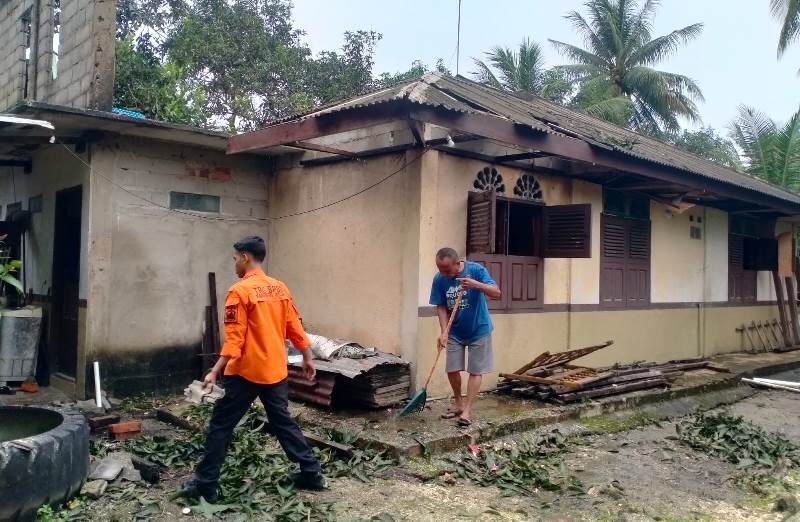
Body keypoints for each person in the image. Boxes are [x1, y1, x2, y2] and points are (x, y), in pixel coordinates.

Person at [180, 236, 323, 503]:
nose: (234, 263)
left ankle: (205, 485)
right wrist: (307, 356)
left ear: (245, 257)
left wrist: (215, 369)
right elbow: (295, 326)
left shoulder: (239, 292)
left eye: (235, 258)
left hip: (245, 372)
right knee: (283, 423)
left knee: (221, 426)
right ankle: (311, 473)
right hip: (274, 371)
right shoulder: (279, 288)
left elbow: (235, 339)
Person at [429, 247, 501, 427]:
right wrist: (444, 331)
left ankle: (467, 410)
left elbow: (496, 292)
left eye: (446, 270)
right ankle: (458, 404)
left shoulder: (476, 270)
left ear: (457, 263)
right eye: (439, 269)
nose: (443, 273)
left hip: (479, 329)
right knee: (452, 368)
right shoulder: (439, 279)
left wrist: (475, 284)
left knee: (475, 370)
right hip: (455, 332)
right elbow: (440, 306)